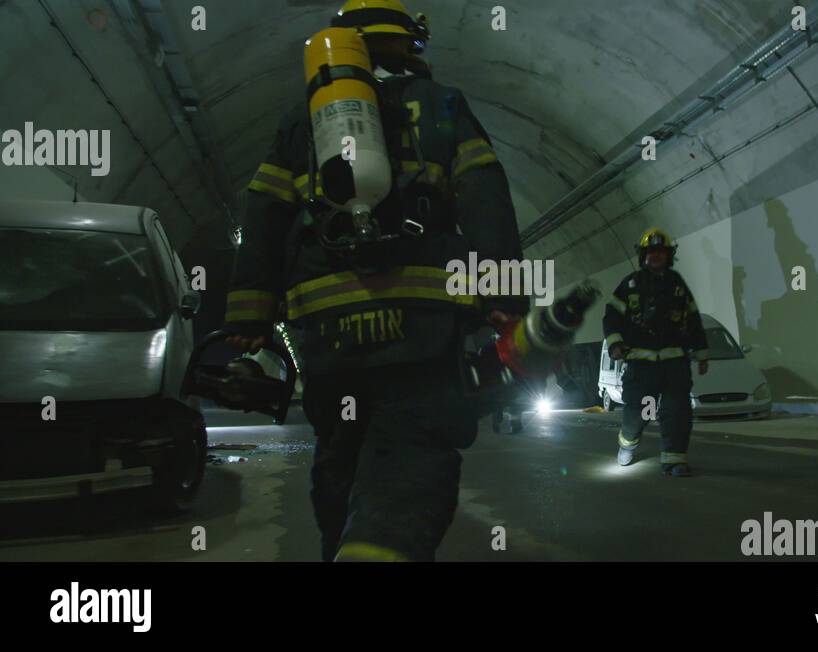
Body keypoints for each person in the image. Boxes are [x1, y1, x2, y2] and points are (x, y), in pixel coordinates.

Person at [222, 0, 527, 560]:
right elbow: (485, 197)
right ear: (410, 45)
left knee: (341, 453)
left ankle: (342, 546)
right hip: (420, 331)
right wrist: (503, 298)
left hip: (331, 337)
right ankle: (378, 548)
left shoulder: (301, 120)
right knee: (414, 454)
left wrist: (249, 316)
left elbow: (264, 213)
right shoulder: (441, 106)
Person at [602, 228, 709, 477]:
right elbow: (612, 316)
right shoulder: (630, 285)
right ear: (643, 256)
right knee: (638, 414)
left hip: (674, 365)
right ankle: (627, 443)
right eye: (651, 252)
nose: (656, 256)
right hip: (641, 367)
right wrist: (616, 344)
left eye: (660, 252)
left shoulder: (677, 285)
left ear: (668, 256)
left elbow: (692, 320)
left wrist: (702, 352)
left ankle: (674, 460)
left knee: (677, 411)